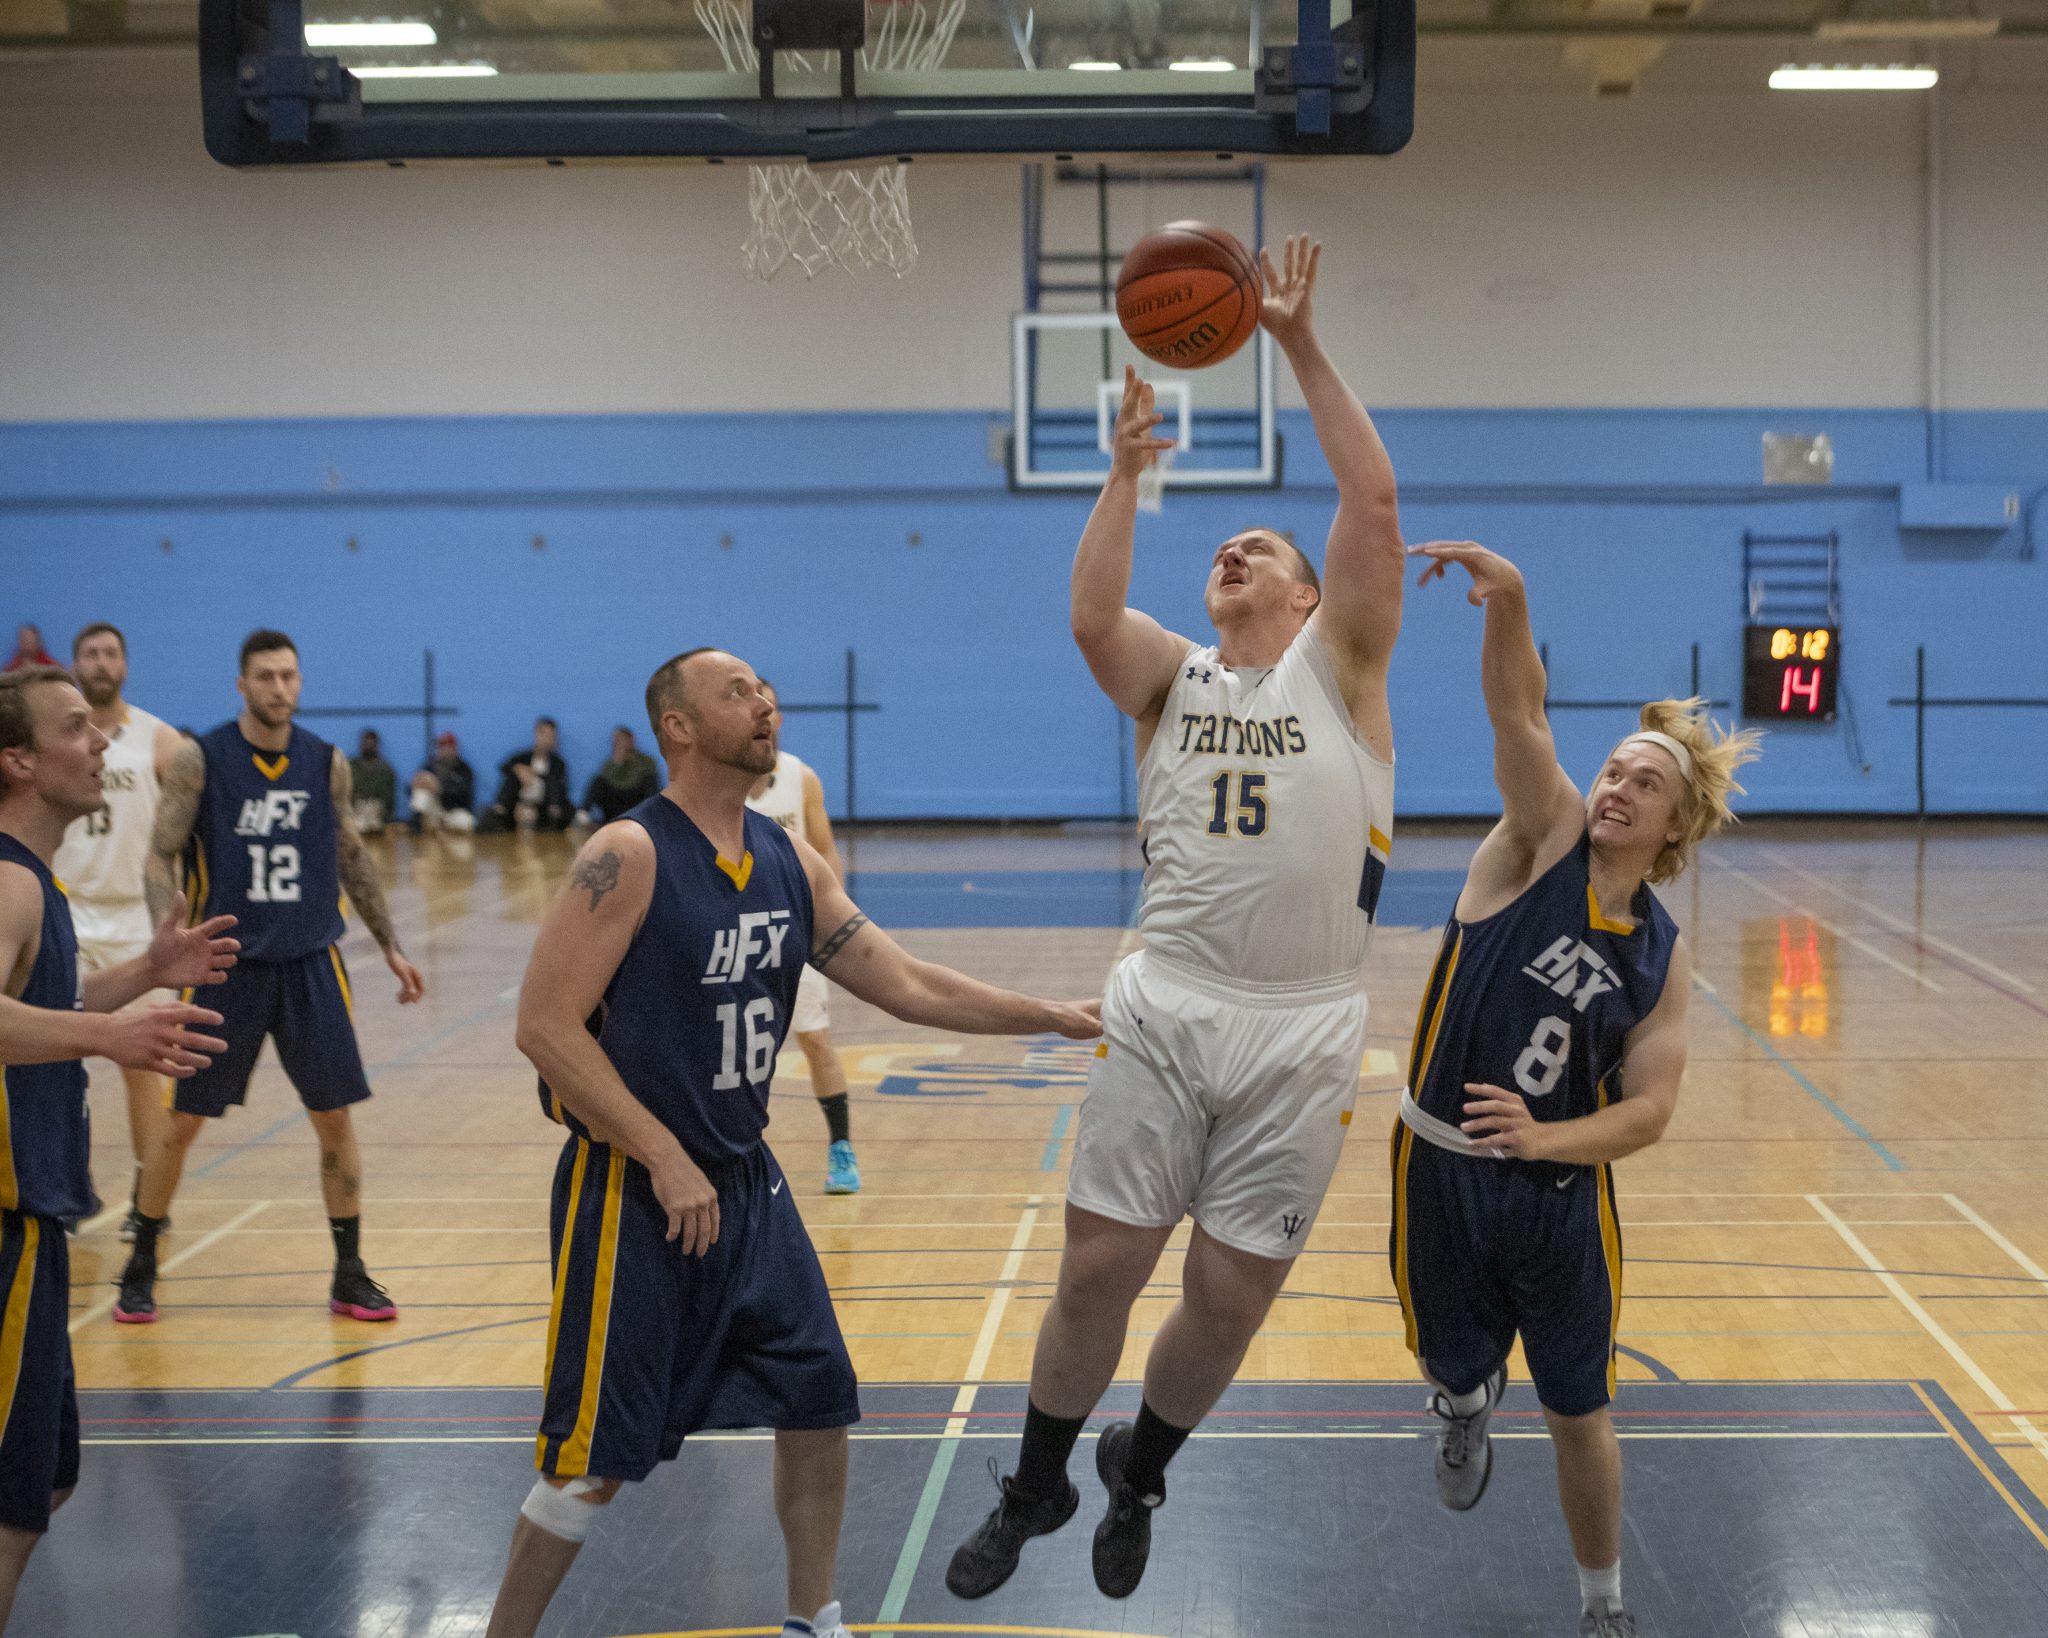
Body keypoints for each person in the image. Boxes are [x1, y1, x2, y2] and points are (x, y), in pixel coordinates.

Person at [949, 234, 1406, 1601]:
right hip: (1168, 998)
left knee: (1227, 1296)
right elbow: (1093, 619)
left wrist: (1299, 343)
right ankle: (1035, 1480)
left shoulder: (1346, 673)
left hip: (1304, 1027)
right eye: (1228, 545)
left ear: (1309, 594)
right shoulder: (1176, 677)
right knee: (1101, 1264)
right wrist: (1125, 470)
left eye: (1261, 546)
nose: (1239, 550)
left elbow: (1373, 503)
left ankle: (1138, 1467)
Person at [482, 648, 1100, 1638]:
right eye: (737, 691)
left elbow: (907, 982)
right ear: (678, 727)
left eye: (765, 688)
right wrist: (660, 1153)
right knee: (588, 1462)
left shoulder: (787, 864)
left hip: (742, 1184)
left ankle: (815, 1620)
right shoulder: (629, 856)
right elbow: (544, 1027)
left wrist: (1050, 1013)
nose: (764, 700)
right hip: (632, 1190)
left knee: (817, 1399)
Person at [1391, 541, 1760, 1638]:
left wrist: (1545, 1142)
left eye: (1643, 781)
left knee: (1578, 1411)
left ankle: (1602, 1605)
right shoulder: (1533, 845)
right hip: (1438, 1171)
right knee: (1449, 1360)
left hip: (1554, 1201)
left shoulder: (1662, 953)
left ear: (1673, 828)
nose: (1615, 784)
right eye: (1613, 767)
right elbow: (1518, 719)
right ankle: (1459, 1400)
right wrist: (1508, 605)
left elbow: (1647, 1114)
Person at [0, 666, 237, 1632]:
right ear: (17, 760)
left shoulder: (34, 881)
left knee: (40, 1488)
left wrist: (141, 974)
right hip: (5, 1225)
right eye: (75, 729)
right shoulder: (9, 881)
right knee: (10, 1503)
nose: (102, 741)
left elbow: (40, 1009)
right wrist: (107, 1038)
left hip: (37, 1223)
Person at [111, 630, 428, 1324]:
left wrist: (391, 944)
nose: (278, 688)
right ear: (241, 685)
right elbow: (161, 854)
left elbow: (350, 854)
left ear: (300, 682)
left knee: (334, 1118)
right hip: (224, 965)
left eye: (288, 676)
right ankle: (141, 1262)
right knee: (183, 1118)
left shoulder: (325, 763)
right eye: (264, 677)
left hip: (312, 962)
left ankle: (349, 1272)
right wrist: (169, 934)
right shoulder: (204, 759)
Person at [51, 623, 188, 1240]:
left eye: (110, 653)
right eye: (90, 653)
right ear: (75, 664)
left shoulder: (158, 739)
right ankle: (60, 1187)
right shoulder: (56, 739)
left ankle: (147, 1199)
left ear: (126, 665)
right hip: (68, 913)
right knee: (51, 1057)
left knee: (145, 1064)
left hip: (137, 917)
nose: (100, 662)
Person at [746, 681, 860, 1194]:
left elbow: (827, 851)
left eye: (767, 703)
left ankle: (842, 1149)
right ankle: (737, 1150)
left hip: (796, 929)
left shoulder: (800, 777)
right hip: (737, 934)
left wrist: (831, 914)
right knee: (739, 1052)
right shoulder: (717, 781)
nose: (760, 712)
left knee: (814, 1038)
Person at [487, 718, 572, 832]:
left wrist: (534, 773)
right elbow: (503, 766)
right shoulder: (522, 757)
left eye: (550, 735)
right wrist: (518, 769)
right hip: (519, 802)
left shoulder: (558, 763)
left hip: (543, 805)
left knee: (555, 786)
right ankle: (500, 811)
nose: (546, 739)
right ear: (536, 735)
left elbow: (561, 788)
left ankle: (552, 817)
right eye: (543, 734)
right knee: (511, 775)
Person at [578, 725, 660, 825]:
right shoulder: (611, 762)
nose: (618, 743)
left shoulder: (646, 760)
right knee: (598, 780)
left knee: (649, 780)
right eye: (616, 740)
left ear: (631, 740)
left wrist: (629, 761)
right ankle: (583, 814)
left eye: (622, 739)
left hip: (635, 800)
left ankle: (651, 817)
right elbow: (608, 782)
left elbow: (639, 783)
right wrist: (618, 764)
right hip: (615, 802)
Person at [410, 731, 476, 833]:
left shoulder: (464, 769)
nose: (445, 750)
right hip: (435, 809)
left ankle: (440, 827)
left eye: (449, 746)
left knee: (467, 822)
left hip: (455, 810)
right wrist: (415, 783)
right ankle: (417, 823)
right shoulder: (430, 766)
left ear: (455, 748)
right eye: (442, 746)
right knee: (424, 779)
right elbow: (411, 791)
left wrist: (439, 789)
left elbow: (464, 793)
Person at [348, 728, 398, 834]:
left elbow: (390, 800)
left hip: (376, 809)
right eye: (365, 743)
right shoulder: (350, 766)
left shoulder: (386, 770)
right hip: (356, 808)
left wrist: (386, 817)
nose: (368, 746)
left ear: (377, 745)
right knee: (359, 824)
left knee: (373, 823)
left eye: (371, 743)